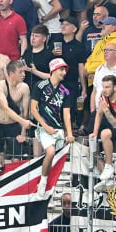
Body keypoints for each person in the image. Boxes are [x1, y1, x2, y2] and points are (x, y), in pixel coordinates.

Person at [30, 59, 75, 194]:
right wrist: (45, 126)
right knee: (50, 152)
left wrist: (70, 133)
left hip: (58, 129)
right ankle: (42, 182)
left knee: (56, 158)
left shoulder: (65, 91)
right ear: (54, 70)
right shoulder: (40, 86)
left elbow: (66, 115)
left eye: (65, 69)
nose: (64, 72)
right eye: (62, 69)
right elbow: (33, 109)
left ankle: (52, 184)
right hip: (43, 127)